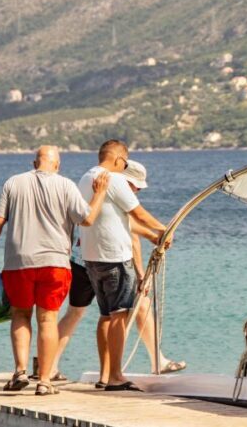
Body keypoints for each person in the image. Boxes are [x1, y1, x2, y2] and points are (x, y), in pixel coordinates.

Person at [0, 145, 109, 396]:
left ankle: (19, 371)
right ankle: (44, 381)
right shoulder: (66, 185)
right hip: (55, 264)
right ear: (57, 165)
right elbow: (88, 219)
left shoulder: (13, 183)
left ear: (33, 163)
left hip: (18, 262)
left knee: (20, 315)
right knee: (48, 319)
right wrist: (99, 194)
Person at [52, 159, 185, 386]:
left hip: (81, 258)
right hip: (107, 261)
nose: (137, 191)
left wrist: (151, 236)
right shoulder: (117, 189)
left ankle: (49, 365)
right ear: (126, 180)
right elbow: (130, 237)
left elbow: (125, 225)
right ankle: (148, 364)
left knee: (75, 314)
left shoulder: (94, 183)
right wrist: (142, 273)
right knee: (130, 309)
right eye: (136, 186)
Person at [78, 140, 168, 392]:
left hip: (91, 257)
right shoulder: (115, 179)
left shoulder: (86, 178)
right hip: (114, 257)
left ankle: (105, 374)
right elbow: (138, 213)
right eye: (125, 163)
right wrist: (164, 229)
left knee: (106, 316)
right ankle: (116, 375)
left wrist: (152, 235)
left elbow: (116, 219)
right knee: (119, 316)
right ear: (118, 159)